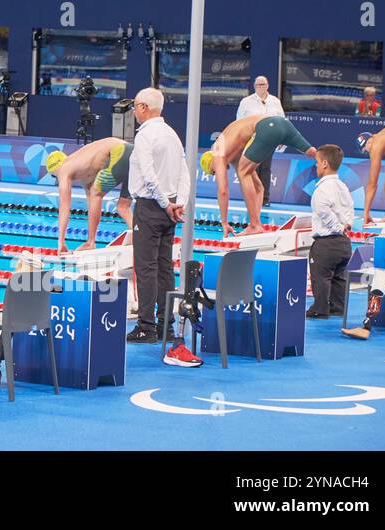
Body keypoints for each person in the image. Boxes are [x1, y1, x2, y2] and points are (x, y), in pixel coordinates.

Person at [127, 88, 190, 344]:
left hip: (152, 207)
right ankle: (167, 324)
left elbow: (148, 176)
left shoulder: (146, 136)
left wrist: (165, 204)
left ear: (143, 107)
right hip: (170, 208)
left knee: (146, 267)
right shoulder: (171, 134)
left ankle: (146, 326)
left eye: (134, 106)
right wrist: (179, 203)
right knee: (165, 267)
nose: (133, 111)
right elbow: (185, 172)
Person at [202, 114, 315, 236]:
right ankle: (330, 161)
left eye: (214, 172)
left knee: (242, 173)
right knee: (311, 152)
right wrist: (256, 216)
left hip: (267, 127)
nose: (217, 174)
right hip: (283, 123)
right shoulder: (234, 154)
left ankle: (254, 225)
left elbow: (223, 190)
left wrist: (224, 222)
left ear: (210, 163)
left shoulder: (218, 152)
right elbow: (259, 189)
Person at [49, 139, 134, 253]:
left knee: (95, 193)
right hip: (132, 151)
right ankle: (137, 236)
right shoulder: (81, 163)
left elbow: (64, 208)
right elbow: (92, 202)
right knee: (123, 207)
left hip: (119, 151)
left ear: (54, 170)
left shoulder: (63, 169)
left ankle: (90, 242)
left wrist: (61, 242)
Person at [306, 145, 352, 319]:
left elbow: (324, 211)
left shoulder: (322, 189)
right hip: (344, 243)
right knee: (339, 276)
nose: (316, 166)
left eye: (317, 162)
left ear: (324, 163)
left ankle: (320, 309)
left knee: (321, 276)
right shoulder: (343, 186)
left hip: (327, 243)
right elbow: (350, 209)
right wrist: (345, 225)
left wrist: (338, 228)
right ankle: (338, 307)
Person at [236, 75, 284, 205]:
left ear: (267, 85)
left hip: (269, 140)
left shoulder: (275, 101)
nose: (260, 87)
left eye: (263, 84)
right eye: (258, 85)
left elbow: (282, 120)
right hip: (252, 140)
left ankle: (264, 199)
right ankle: (251, 197)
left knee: (265, 169)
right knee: (252, 170)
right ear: (254, 86)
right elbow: (239, 121)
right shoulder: (246, 102)